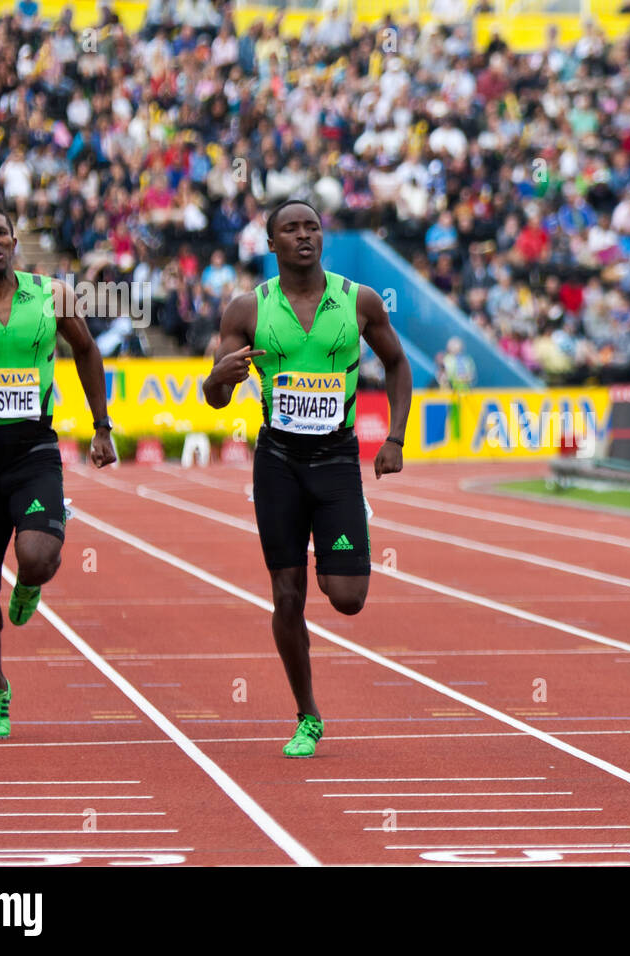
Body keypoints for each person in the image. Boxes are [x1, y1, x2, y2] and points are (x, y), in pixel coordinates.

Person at [203, 199, 412, 758]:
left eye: (312, 227)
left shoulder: (358, 301)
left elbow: (396, 362)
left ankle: (337, 551)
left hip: (337, 460)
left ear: (323, 237)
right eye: (290, 229)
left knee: (346, 598)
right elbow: (218, 398)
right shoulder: (247, 310)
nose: (303, 236)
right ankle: (307, 714)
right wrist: (215, 382)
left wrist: (394, 437)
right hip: (278, 463)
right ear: (270, 244)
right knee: (287, 595)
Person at [0, 203, 117, 739]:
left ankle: (30, 583)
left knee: (36, 557)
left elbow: (86, 349)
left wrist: (102, 426)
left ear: (14, 240)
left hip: (35, 446)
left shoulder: (52, 294)